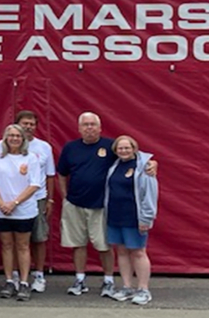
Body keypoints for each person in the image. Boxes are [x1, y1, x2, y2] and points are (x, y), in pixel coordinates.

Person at [57, 112, 157, 298]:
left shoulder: (110, 146)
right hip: (76, 205)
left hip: (102, 208)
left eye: (93, 124)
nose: (89, 128)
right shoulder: (70, 148)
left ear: (99, 127)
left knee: (106, 246)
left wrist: (152, 163)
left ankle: (110, 281)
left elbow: (136, 158)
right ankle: (80, 279)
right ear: (79, 128)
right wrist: (65, 196)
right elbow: (61, 173)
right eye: (85, 125)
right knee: (78, 244)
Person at [0, 124, 42, 301]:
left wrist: (15, 202)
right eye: (11, 136)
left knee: (23, 246)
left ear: (23, 139)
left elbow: (34, 184)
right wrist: (2, 203)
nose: (14, 139)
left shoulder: (31, 158)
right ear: (5, 138)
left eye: (18, 136)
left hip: (24, 210)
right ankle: (10, 280)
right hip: (2, 210)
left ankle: (24, 283)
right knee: (7, 245)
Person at [105, 135, 158, 306]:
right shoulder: (115, 165)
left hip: (135, 218)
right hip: (115, 216)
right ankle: (127, 287)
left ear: (134, 148)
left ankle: (143, 289)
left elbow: (150, 194)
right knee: (121, 252)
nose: (124, 151)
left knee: (138, 252)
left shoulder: (144, 168)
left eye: (127, 148)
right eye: (120, 148)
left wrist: (147, 217)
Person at [15, 110, 56, 293]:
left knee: (39, 238)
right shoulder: (5, 144)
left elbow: (50, 175)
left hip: (37, 199)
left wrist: (50, 199)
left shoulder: (44, 147)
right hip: (14, 200)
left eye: (32, 124)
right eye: (25, 123)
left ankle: (39, 274)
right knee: (16, 239)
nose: (28, 127)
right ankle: (16, 275)